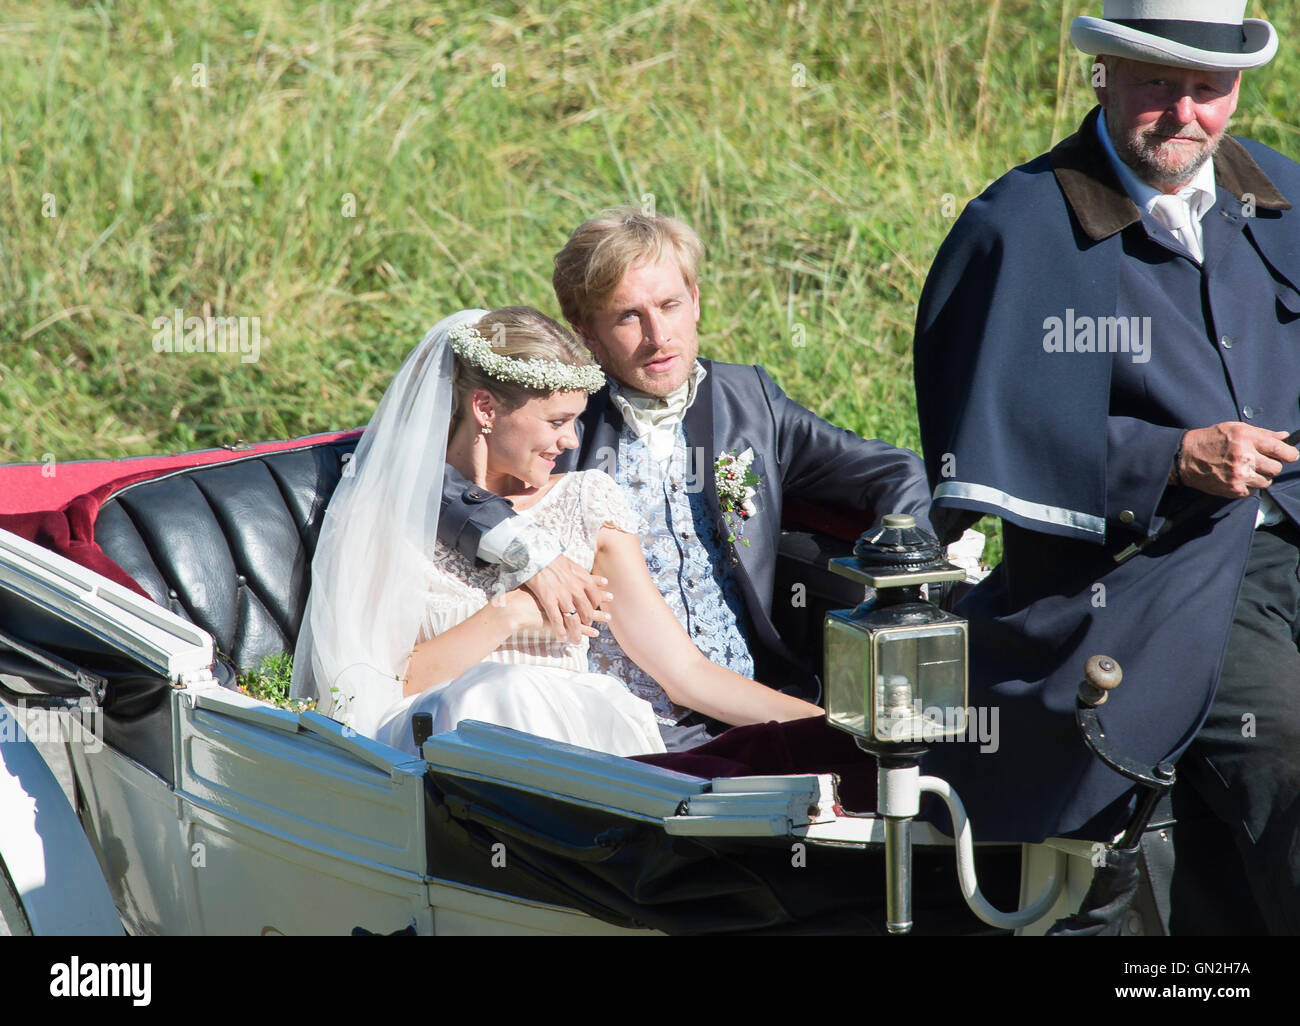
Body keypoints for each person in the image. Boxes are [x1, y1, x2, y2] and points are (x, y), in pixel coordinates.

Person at [913, 0, 1300, 932]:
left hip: (1288, 546)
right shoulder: (1021, 225)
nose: (1183, 112)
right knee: (1288, 748)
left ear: (1237, 88)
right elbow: (985, 435)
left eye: (1206, 89)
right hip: (1145, 577)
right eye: (1158, 84)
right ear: (1106, 76)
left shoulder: (1280, 195)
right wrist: (1169, 457)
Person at [437, 208, 948, 749]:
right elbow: (437, 481)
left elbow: (893, 470)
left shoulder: (749, 402)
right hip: (618, 722)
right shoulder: (558, 421)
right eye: (628, 317)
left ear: (696, 301)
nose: (658, 336)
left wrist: (911, 585)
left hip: (752, 699)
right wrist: (523, 550)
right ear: (585, 332)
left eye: (669, 305)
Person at [291, 306, 822, 758]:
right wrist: (510, 614)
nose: (571, 441)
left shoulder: (586, 502)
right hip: (438, 740)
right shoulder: (392, 515)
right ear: (485, 409)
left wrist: (831, 728)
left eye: (576, 421)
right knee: (494, 695)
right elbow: (375, 687)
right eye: (556, 422)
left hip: (575, 729)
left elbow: (683, 672)